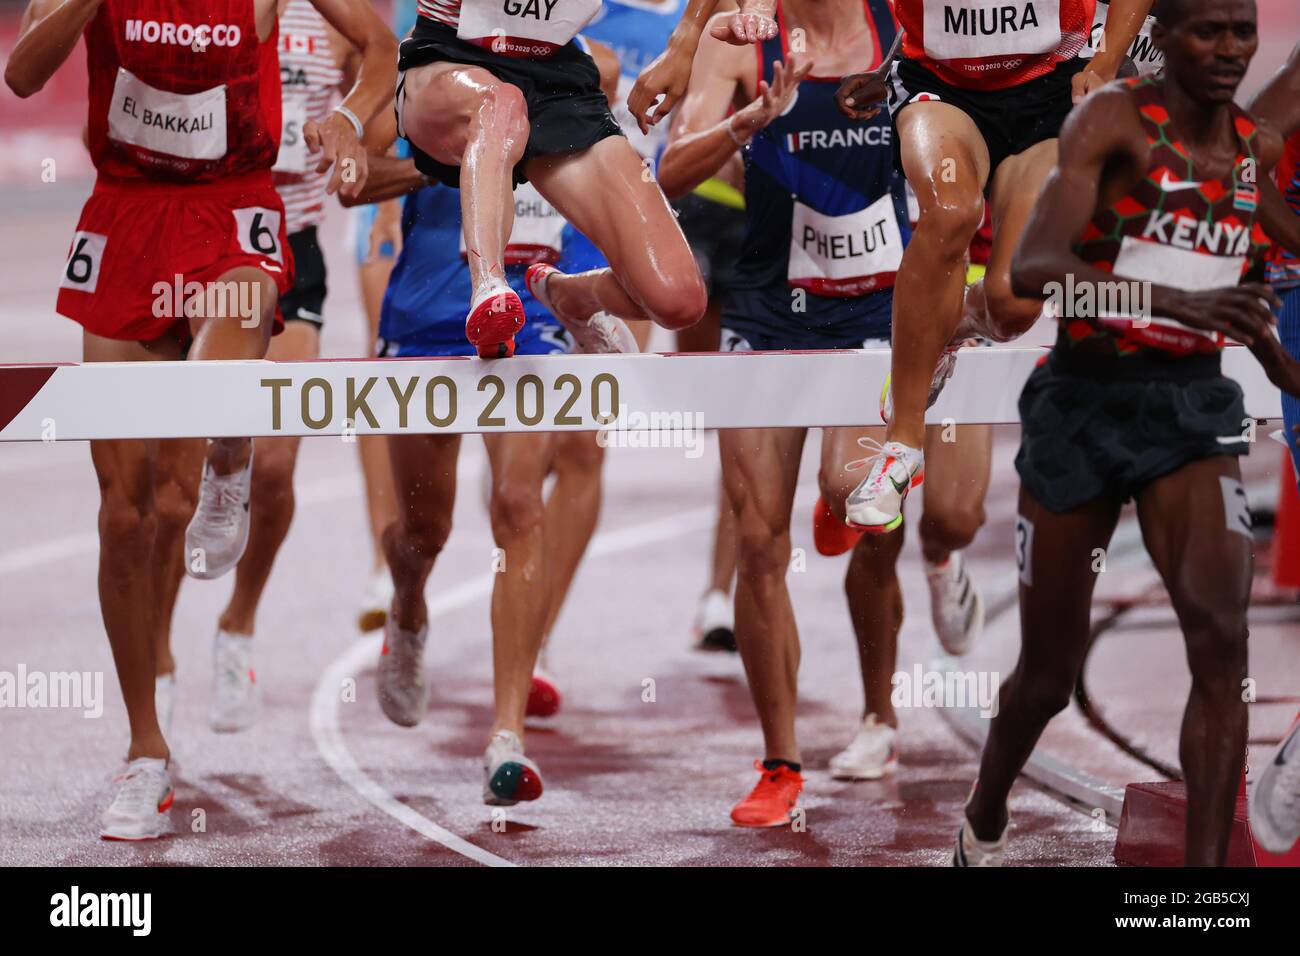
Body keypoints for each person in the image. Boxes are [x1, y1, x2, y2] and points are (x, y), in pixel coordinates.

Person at [5, 0, 395, 840]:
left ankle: (230, 446)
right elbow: (22, 73)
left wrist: (350, 118)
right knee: (127, 513)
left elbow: (380, 41)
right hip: (126, 213)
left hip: (232, 210)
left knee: (194, 453)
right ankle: (146, 751)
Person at [956, 0, 1300, 867]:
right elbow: (1037, 271)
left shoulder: (1252, 154)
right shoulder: (1113, 122)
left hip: (1190, 412)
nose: (1227, 52)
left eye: (1242, 34)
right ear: (1166, 35)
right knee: (1048, 675)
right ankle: (985, 815)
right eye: (1206, 32)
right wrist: (1179, 302)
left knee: (1222, 641)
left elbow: (1247, 280)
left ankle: (1203, 895)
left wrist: (1283, 366)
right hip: (1083, 404)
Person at [659, 0, 988, 824]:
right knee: (758, 537)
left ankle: (879, 713)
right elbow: (664, 174)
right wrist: (748, 123)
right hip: (767, 315)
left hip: (880, 317)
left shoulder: (905, 28)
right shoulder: (739, 37)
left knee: (858, 497)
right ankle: (780, 764)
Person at [347, 39, 621, 803]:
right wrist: (462, 158)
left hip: (527, 316)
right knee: (421, 535)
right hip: (429, 315)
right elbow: (357, 182)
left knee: (517, 505)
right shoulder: (428, 71)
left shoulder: (589, 68)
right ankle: (407, 610)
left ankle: (507, 736)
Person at [833, 0, 1156, 533]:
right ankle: (901, 447)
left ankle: (950, 326)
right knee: (951, 209)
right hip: (939, 91)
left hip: (1053, 89)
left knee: (1010, 309)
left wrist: (1106, 61)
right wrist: (889, 65)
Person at [390, 0, 781, 359]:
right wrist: (350, 119)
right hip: (449, 57)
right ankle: (489, 290)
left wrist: (697, 36)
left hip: (554, 74)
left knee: (679, 300)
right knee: (501, 103)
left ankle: (571, 296)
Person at [202, 0, 382, 733]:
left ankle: (237, 627)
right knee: (171, 471)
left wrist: (353, 125)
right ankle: (155, 667)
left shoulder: (333, 14)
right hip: (199, 237)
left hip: (290, 244)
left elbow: (382, 58)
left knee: (273, 467)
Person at [584, 0, 744, 651]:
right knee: (611, 411)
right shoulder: (585, 13)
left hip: (752, 212)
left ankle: (718, 596)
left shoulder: (719, 14)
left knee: (742, 415)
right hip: (668, 213)